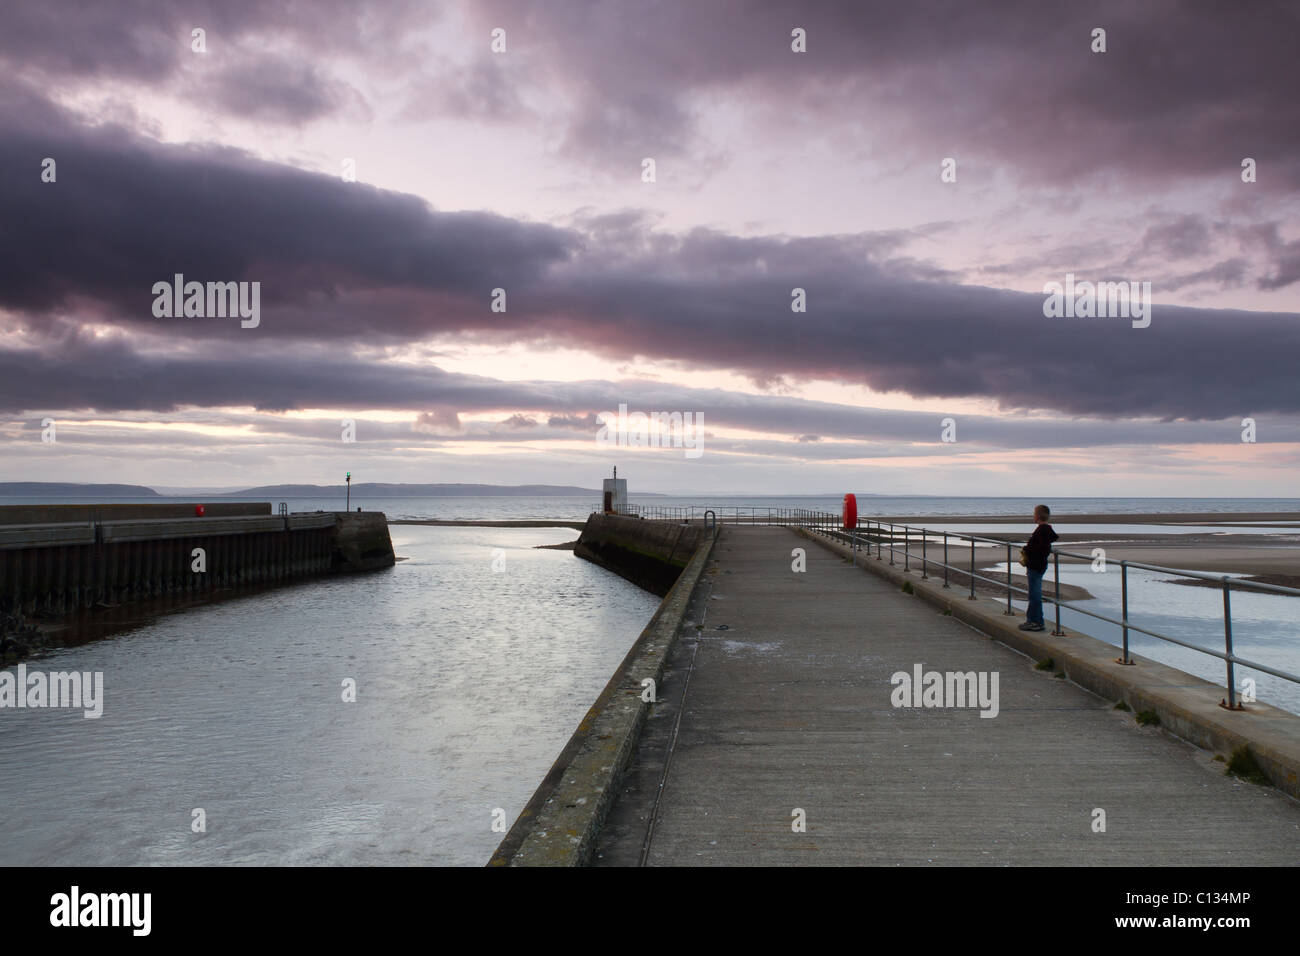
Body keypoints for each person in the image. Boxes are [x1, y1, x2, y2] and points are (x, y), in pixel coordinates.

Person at [1019, 504, 1059, 631]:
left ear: (1038, 516)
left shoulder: (1042, 531)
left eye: (1034, 514)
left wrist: (1026, 549)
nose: (1033, 516)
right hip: (1038, 565)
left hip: (1036, 566)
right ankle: (1034, 620)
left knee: (1034, 595)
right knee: (1034, 594)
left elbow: (1039, 549)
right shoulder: (1045, 530)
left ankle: (1035, 622)